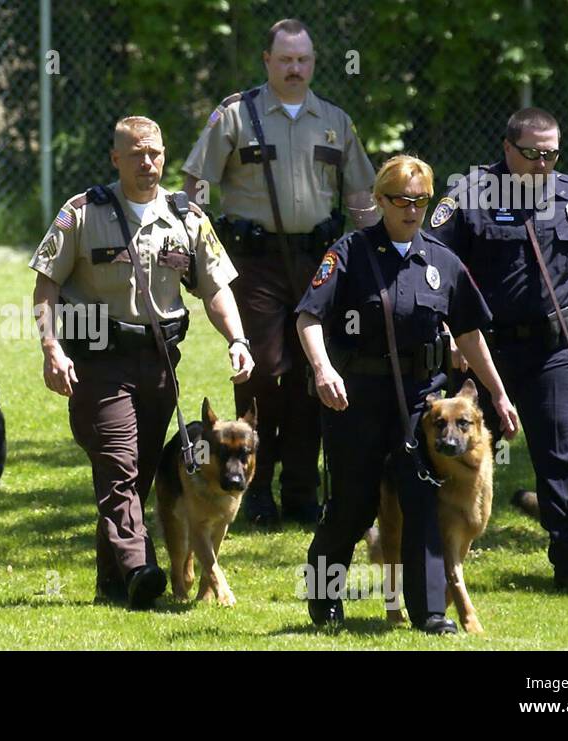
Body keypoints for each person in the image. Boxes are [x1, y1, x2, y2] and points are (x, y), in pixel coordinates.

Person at [31, 116, 254, 609]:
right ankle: (141, 567)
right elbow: (46, 285)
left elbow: (215, 288)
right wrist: (52, 348)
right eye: (135, 154)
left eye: (154, 153)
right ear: (116, 158)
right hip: (100, 363)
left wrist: (237, 338)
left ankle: (113, 583)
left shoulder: (187, 217)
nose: (147, 162)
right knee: (119, 466)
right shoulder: (82, 213)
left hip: (159, 366)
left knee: (139, 472)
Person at [295, 155, 521, 633]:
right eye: (400, 200)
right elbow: (308, 317)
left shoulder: (442, 261)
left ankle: (431, 613)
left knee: (422, 502)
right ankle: (324, 600)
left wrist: (498, 394)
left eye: (419, 200)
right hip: (354, 398)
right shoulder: (350, 253)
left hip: (421, 403)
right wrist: (322, 370)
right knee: (352, 505)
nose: (412, 210)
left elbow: (470, 334)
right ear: (379, 200)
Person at [182, 18, 380, 528]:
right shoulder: (235, 116)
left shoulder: (334, 120)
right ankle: (254, 486)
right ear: (267, 61)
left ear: (314, 63)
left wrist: (379, 252)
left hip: (319, 263)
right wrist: (191, 245)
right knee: (263, 374)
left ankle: (301, 492)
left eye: (304, 60)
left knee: (313, 379)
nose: (295, 69)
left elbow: (360, 195)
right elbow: (196, 185)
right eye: (286, 59)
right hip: (254, 264)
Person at [428, 107, 568, 594]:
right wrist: (448, 334)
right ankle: (436, 562)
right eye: (533, 154)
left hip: (553, 352)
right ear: (508, 148)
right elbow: (429, 269)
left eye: (552, 153)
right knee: (449, 455)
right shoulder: (469, 196)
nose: (543, 163)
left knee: (564, 459)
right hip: (480, 353)